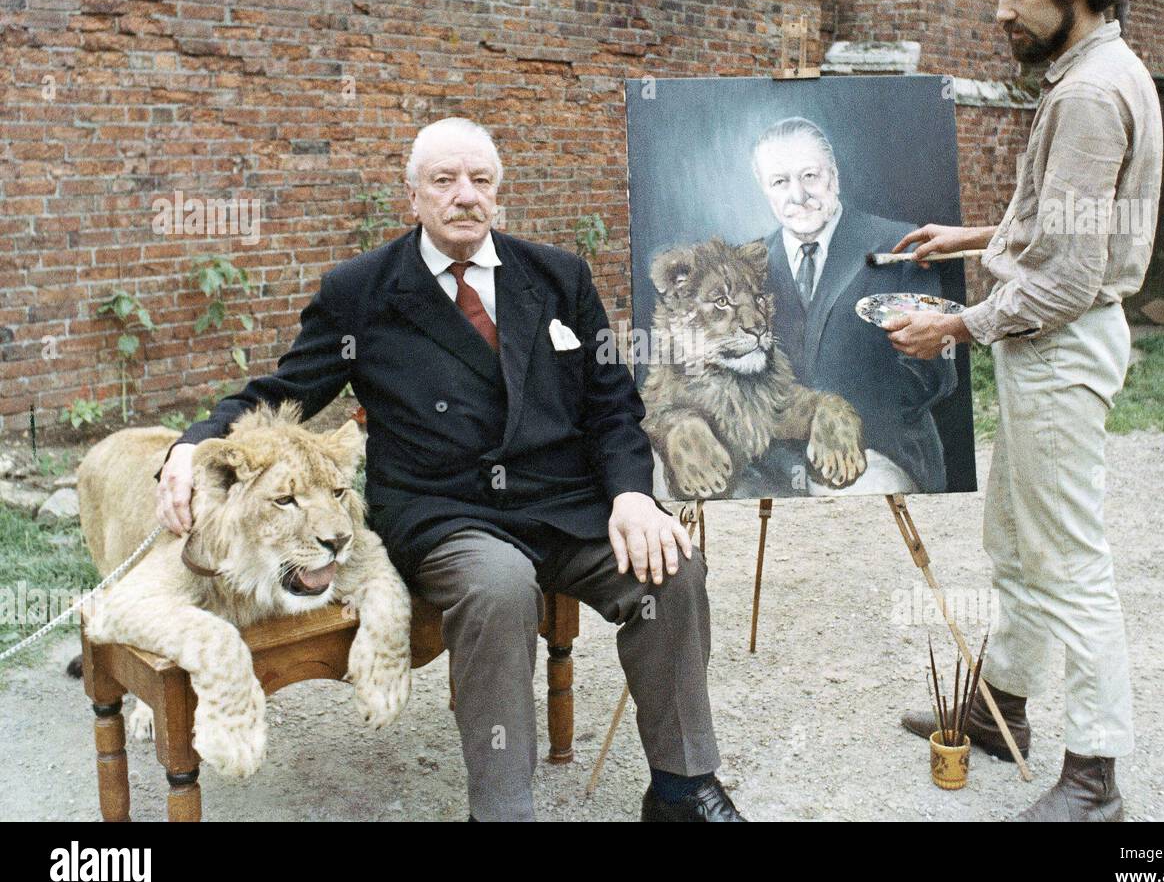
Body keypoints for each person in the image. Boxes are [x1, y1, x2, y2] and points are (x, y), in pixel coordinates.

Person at [156, 117, 745, 822]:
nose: (464, 195)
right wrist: (193, 444)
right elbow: (285, 391)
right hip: (446, 512)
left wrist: (631, 498)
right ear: (413, 196)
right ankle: (501, 811)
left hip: (565, 505)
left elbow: (613, 404)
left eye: (480, 180)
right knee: (498, 588)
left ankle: (682, 787)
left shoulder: (559, 277)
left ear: (498, 193)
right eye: (444, 180)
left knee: (673, 571)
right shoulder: (362, 291)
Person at [887, 0, 1162, 822]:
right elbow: (1065, 224)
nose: (1000, 13)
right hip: (1053, 346)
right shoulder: (1101, 70)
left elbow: (1070, 277)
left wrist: (953, 327)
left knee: (1069, 560)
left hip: (1059, 346)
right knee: (1016, 540)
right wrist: (968, 239)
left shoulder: (1087, 93)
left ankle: (1095, 780)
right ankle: (1000, 711)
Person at [754, 116, 958, 495]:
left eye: (810, 176)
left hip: (878, 451)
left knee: (848, 492)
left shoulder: (898, 245)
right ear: (765, 190)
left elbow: (933, 375)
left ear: (834, 176)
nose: (797, 195)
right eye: (780, 182)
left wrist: (842, 426)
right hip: (776, 459)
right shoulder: (749, 265)